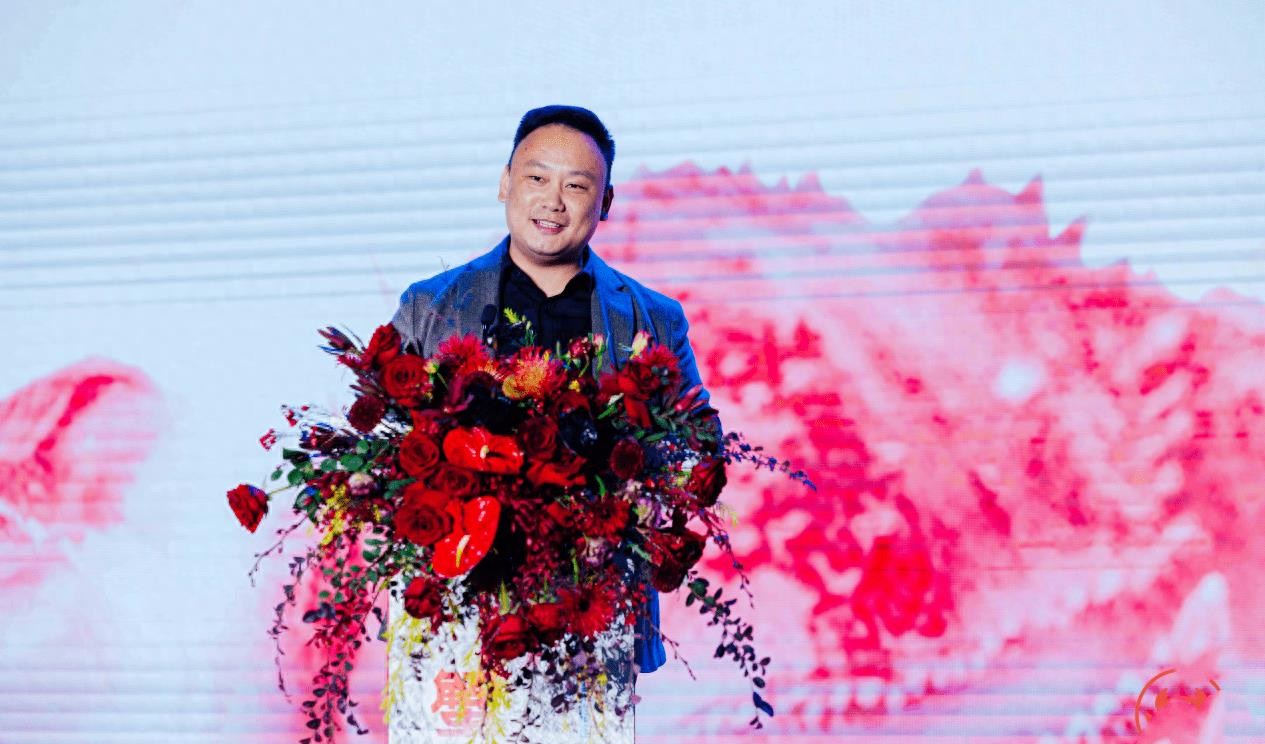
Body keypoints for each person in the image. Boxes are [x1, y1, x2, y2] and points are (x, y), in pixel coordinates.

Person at [388, 104, 715, 740]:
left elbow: (698, 441)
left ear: (606, 201)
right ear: (505, 183)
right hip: (454, 609)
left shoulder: (652, 317)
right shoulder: (431, 305)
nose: (553, 201)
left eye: (577, 185)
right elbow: (386, 443)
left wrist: (625, 481)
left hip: (592, 604)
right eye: (537, 178)